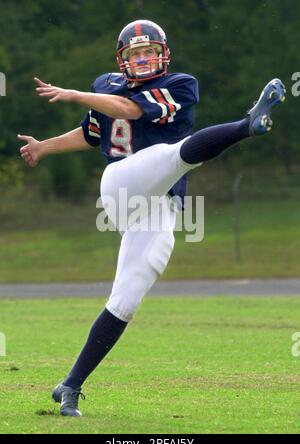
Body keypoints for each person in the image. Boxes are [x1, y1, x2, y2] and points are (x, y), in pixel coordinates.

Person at [18, 19, 285, 417]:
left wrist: (76, 94)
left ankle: (70, 386)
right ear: (122, 60)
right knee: (171, 157)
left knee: (126, 300)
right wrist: (45, 147)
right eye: (135, 54)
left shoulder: (181, 84)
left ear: (163, 55)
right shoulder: (105, 84)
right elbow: (92, 133)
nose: (142, 59)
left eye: (149, 52)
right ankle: (247, 125)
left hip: (160, 204)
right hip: (121, 186)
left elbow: (129, 109)